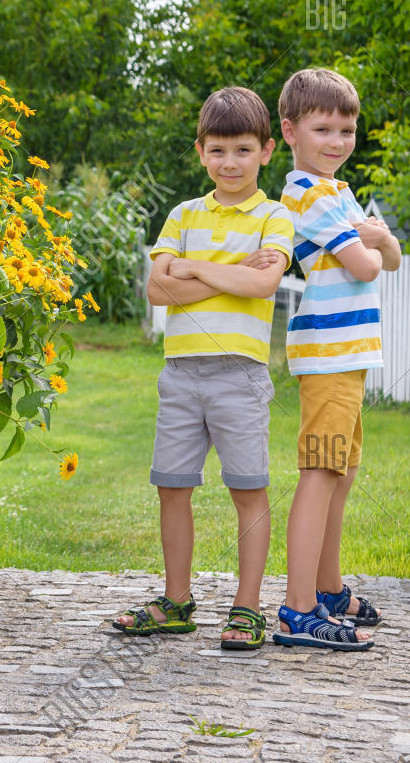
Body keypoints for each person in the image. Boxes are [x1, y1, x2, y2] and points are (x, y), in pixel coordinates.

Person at [110, 86, 292, 650]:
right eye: (218, 150)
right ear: (200, 151)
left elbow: (263, 283)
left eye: (242, 150)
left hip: (239, 374)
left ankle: (246, 607)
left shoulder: (275, 216)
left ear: (265, 151)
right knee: (172, 488)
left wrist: (192, 269)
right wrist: (227, 266)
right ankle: (177, 601)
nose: (229, 162)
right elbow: (156, 291)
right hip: (181, 375)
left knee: (248, 491)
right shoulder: (182, 214)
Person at [272, 68, 401, 650]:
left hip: (349, 357)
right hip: (326, 355)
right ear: (291, 130)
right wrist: (371, 240)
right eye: (323, 129)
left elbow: (391, 255)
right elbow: (369, 265)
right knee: (320, 472)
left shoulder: (339, 192)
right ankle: (298, 610)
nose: (338, 141)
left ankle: (326, 588)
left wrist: (374, 239)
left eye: (347, 129)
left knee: (341, 472)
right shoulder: (309, 193)